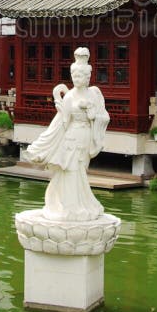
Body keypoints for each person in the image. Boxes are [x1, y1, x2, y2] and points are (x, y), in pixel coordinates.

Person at [24, 47, 109, 222]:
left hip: (85, 136)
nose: (76, 79)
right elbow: (62, 122)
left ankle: (80, 205)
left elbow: (104, 116)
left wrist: (93, 115)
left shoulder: (94, 94)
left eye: (80, 76)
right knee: (68, 169)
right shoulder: (69, 96)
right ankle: (66, 207)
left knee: (80, 169)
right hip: (71, 137)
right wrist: (43, 143)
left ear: (88, 77)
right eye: (74, 76)